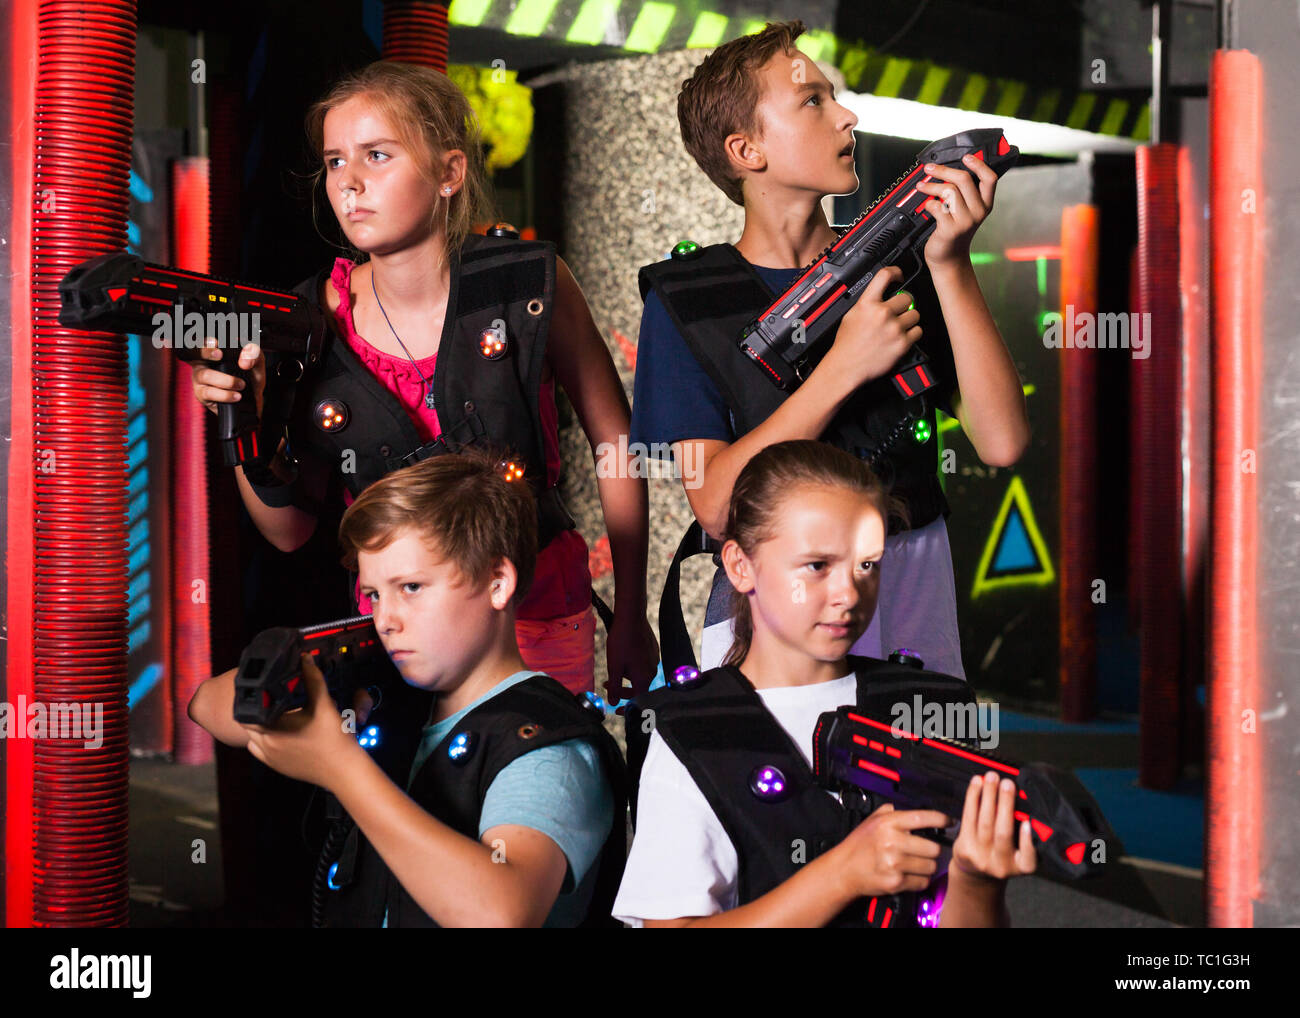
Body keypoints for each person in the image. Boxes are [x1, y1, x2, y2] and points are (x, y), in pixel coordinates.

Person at [191, 60, 657, 700]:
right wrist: (241, 417)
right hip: (392, 635)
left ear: (449, 171)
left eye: (376, 155)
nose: (349, 182)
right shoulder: (306, 324)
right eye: (333, 162)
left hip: (536, 615)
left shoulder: (526, 283)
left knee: (537, 783)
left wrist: (630, 611)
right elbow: (289, 532)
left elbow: (616, 444)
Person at [632, 21, 1030, 678]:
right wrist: (843, 369)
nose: (847, 116)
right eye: (812, 101)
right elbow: (717, 504)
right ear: (746, 150)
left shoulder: (908, 262)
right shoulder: (685, 300)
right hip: (776, 585)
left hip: (912, 569)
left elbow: (1003, 441)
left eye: (834, 97)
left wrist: (952, 263)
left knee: (917, 776)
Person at [189, 450, 625, 927]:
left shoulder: (548, 752)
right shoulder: (392, 699)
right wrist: (306, 676)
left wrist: (340, 766)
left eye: (411, 587)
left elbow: (502, 913)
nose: (385, 619)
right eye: (374, 594)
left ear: (498, 582)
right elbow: (206, 705)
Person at [613, 441, 1036, 927]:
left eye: (867, 564)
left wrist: (975, 881)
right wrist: (841, 875)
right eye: (817, 565)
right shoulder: (693, 730)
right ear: (740, 566)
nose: (849, 593)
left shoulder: (925, 708)